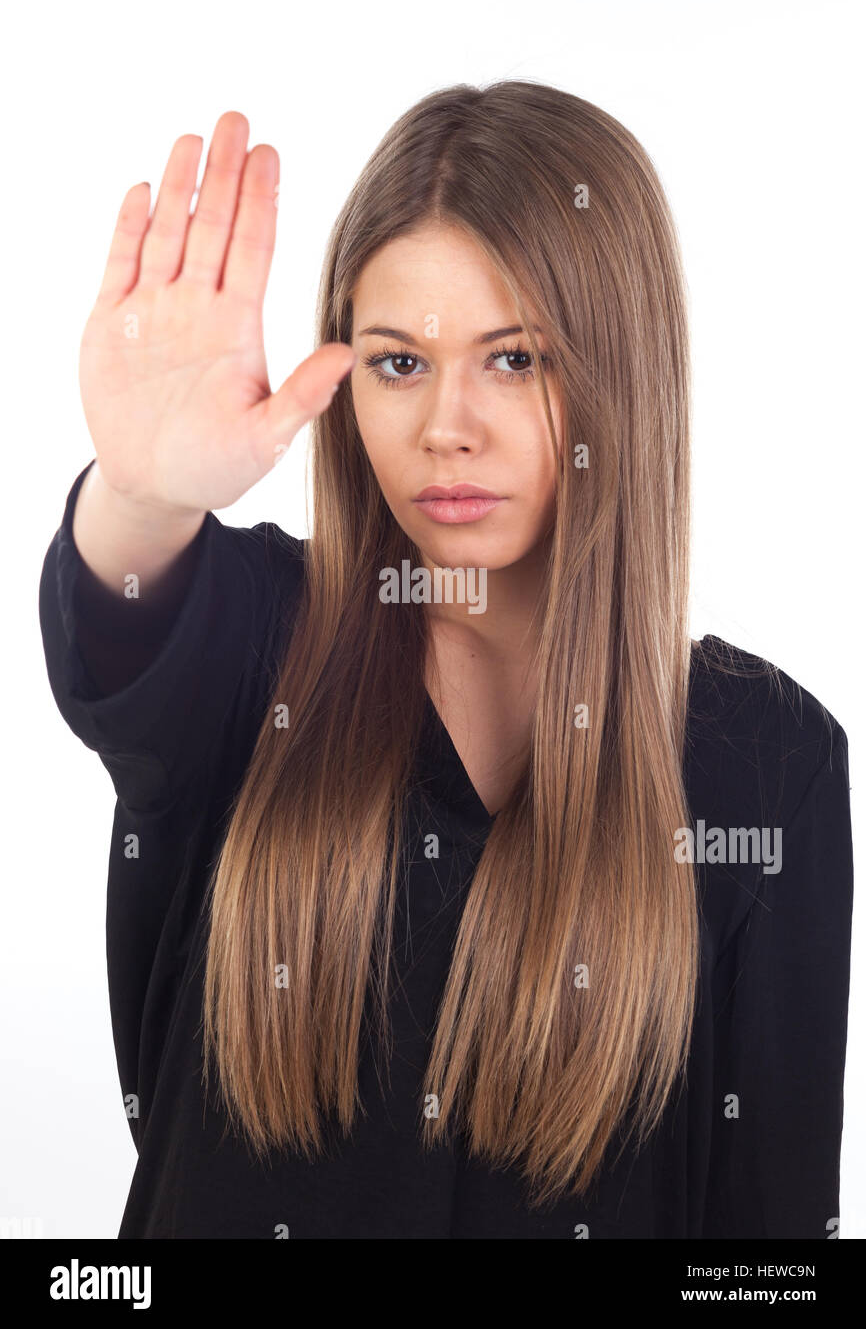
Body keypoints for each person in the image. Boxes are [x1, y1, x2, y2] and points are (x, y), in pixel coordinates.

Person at [39, 83, 853, 1239]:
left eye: (513, 359)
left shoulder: (770, 760)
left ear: (620, 369)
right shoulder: (257, 632)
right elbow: (112, 634)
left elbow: (765, 1241)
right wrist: (138, 492)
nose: (445, 428)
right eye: (399, 363)